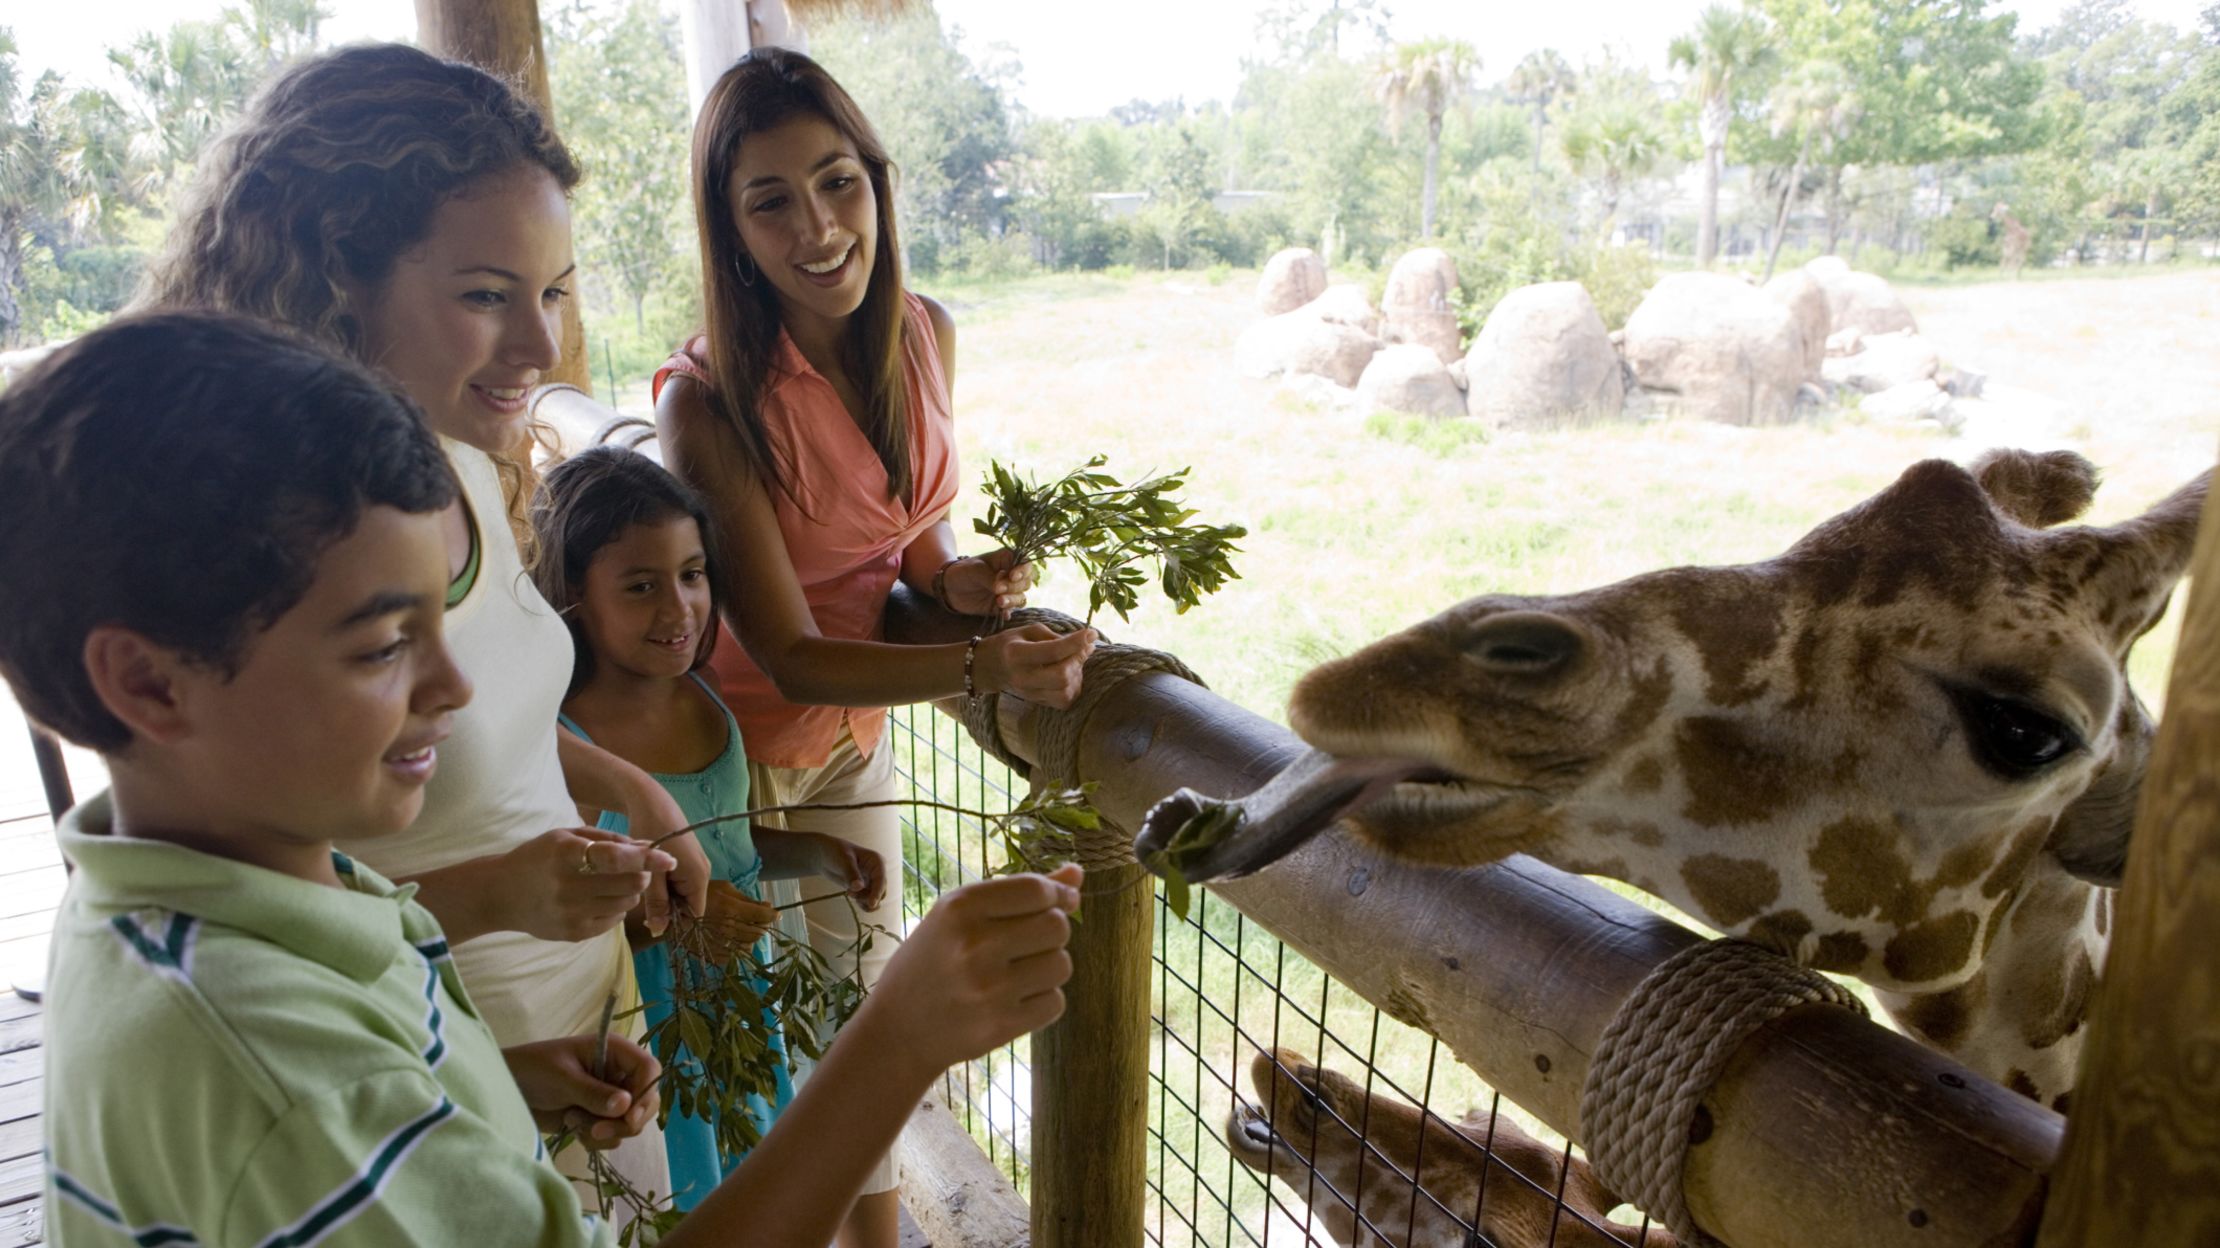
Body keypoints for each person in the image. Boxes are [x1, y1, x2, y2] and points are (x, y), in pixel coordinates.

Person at [10, 311, 1083, 1248]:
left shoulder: (194, 897)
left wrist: (490, 1087)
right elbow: (326, 1112)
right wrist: (893, 1043)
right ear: (149, 685)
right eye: (385, 645)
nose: (455, 689)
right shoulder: (287, 1086)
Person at [136, 43, 711, 1201]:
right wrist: (501, 897)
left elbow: (480, 710)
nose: (543, 348)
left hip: (566, 1030)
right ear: (335, 273)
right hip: (423, 1057)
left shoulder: (460, 460)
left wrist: (627, 786)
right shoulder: (265, 557)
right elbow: (234, 929)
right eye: (487, 296)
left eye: (551, 292)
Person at [655, 49, 1092, 1244]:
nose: (818, 226)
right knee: (754, 1048)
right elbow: (791, 651)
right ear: (729, 228)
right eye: (771, 201)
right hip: (730, 767)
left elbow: (904, 541)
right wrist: (983, 666)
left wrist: (958, 582)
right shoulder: (706, 406)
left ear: (879, 186)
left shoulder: (925, 335)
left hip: (857, 737)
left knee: (863, 1008)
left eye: (838, 182)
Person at [534, 445, 892, 1207]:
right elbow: (560, 913)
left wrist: (819, 853)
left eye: (692, 576)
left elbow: (721, 843)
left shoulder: (704, 698)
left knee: (756, 1182)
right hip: (647, 1028)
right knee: (682, 1194)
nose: (678, 609)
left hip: (738, 1010)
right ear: (573, 593)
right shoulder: (561, 743)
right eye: (639, 586)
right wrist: (669, 922)